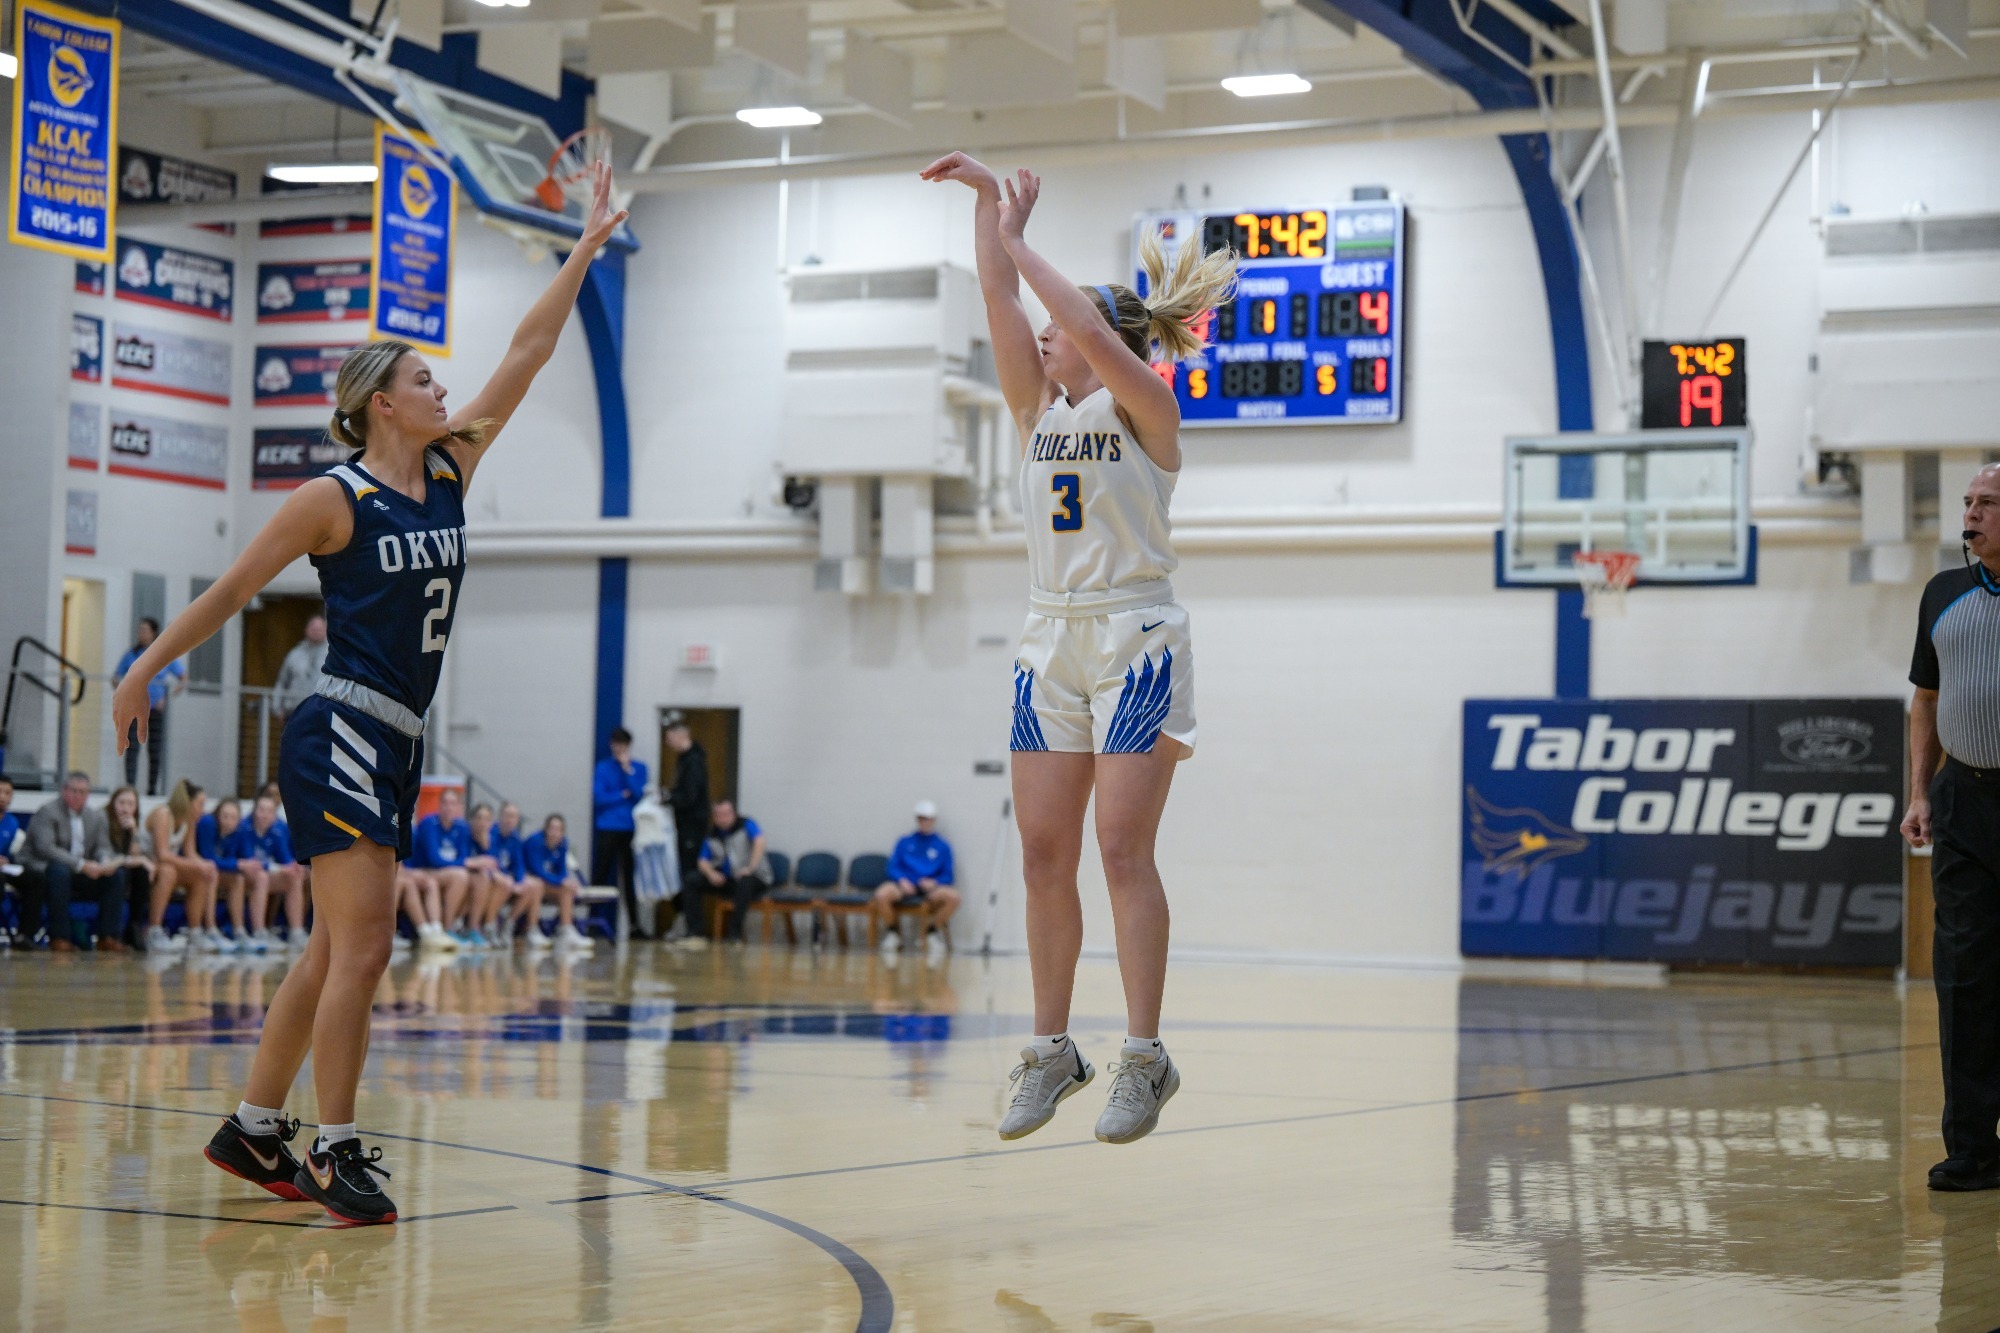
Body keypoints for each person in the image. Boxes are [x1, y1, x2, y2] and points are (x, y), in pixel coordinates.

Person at [112, 162, 628, 1226]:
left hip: (395, 734)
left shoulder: (448, 471)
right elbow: (232, 589)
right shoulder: (330, 498)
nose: (448, 390)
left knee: (327, 948)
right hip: (339, 721)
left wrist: (580, 249)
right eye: (428, 381)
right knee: (366, 948)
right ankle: (332, 1149)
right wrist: (141, 667)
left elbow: (528, 355)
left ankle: (256, 1125)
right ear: (380, 403)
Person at [923, 152, 1236, 1145]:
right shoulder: (1035, 415)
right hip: (1046, 636)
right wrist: (987, 211)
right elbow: (995, 293)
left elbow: (1093, 327)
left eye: (1056, 327)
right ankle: (1051, 1047)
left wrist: (1022, 239)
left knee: (1119, 847)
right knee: (1043, 849)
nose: (1044, 335)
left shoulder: (1145, 408)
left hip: (1134, 634)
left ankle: (1143, 1056)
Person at [1905, 461, 2000, 1192]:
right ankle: (1971, 1147)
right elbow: (1925, 701)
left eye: (1987, 503)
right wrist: (1918, 792)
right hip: (1963, 802)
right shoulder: (1942, 593)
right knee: (1962, 977)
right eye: (1968, 502)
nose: (1971, 513)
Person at [19, 771, 128, 952]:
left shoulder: (96, 817)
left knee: (115, 876)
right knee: (59, 871)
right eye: (74, 791)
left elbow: (102, 846)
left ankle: (108, 936)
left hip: (81, 871)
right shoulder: (47, 811)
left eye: (82, 792)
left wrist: (104, 861)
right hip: (44, 869)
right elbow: (45, 848)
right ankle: (60, 937)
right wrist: (81, 865)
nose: (77, 795)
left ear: (88, 794)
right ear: (64, 791)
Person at [877, 799, 961, 959]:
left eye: (927, 819)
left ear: (933, 820)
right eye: (921, 818)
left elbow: (948, 875)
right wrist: (902, 880)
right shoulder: (904, 842)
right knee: (882, 894)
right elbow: (892, 867)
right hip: (905, 886)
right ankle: (893, 932)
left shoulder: (943, 846)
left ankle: (932, 931)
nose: (924, 822)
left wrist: (934, 883)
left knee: (954, 897)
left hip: (930, 889)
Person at [143, 780, 217, 953]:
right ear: (188, 802)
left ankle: (195, 932)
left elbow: (190, 853)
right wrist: (196, 865)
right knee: (169, 872)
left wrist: (205, 866)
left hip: (164, 866)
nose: (203, 809)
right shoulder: (163, 814)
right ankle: (154, 930)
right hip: (145, 865)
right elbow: (162, 854)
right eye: (200, 804)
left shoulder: (188, 821)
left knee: (201, 875)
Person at [114, 618, 185, 795]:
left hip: (155, 709)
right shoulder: (131, 654)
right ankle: (130, 787)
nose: (141, 633)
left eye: (145, 630)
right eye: (140, 630)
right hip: (134, 708)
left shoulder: (163, 654)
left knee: (154, 749)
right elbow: (116, 676)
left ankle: (152, 788)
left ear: (153, 633)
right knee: (132, 748)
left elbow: (182, 677)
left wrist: (167, 697)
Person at [592, 726, 648, 934]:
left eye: (622, 745)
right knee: (601, 873)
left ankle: (634, 924)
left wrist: (627, 772)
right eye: (615, 744)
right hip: (607, 826)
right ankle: (593, 921)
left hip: (630, 828)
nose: (618, 748)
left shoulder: (639, 768)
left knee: (629, 877)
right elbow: (599, 798)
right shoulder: (602, 768)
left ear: (628, 746)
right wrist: (621, 795)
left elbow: (639, 795)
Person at [411, 788, 483, 949]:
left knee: (480, 878)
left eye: (453, 803)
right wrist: (466, 863)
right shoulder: (429, 823)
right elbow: (434, 859)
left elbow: (463, 856)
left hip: (446, 872)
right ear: (439, 805)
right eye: (445, 803)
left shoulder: (462, 827)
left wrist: (467, 863)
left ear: (459, 807)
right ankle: (447, 927)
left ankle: (474, 928)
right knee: (461, 875)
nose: (448, 807)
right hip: (424, 869)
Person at [695, 798, 770, 945]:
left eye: (726, 814)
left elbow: (760, 841)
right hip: (728, 879)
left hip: (755, 876)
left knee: (745, 882)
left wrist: (750, 867)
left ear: (734, 814)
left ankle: (734, 934)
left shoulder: (746, 824)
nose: (722, 819)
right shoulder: (712, 834)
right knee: (692, 880)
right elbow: (702, 861)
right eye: (718, 815)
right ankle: (695, 933)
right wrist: (711, 873)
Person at [236, 795, 307, 951]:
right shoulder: (244, 828)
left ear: (274, 815)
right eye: (261, 810)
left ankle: (296, 931)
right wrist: (282, 868)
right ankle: (259, 931)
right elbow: (251, 862)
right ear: (254, 811)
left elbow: (285, 858)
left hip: (265, 873)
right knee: (261, 876)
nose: (265, 814)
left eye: (269, 811)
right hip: (242, 874)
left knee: (294, 876)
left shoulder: (276, 830)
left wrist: (294, 867)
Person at [521, 814, 593, 951]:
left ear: (562, 832)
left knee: (567, 889)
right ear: (545, 829)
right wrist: (561, 881)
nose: (554, 833)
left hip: (546, 883)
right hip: (527, 882)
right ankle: (532, 929)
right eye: (551, 829)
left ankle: (566, 929)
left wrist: (565, 881)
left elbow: (562, 871)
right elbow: (537, 871)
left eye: (558, 829)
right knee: (538, 885)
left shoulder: (563, 843)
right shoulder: (534, 841)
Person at [199, 798, 261, 952]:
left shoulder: (240, 831)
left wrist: (248, 865)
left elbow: (247, 858)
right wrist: (238, 864)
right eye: (224, 816)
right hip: (200, 870)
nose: (228, 821)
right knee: (212, 872)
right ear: (218, 815)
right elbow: (209, 859)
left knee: (238, 879)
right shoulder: (208, 823)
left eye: (232, 817)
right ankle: (210, 929)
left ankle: (239, 930)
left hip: (218, 871)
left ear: (238, 819)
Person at [663, 712, 708, 900]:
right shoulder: (684, 759)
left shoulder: (694, 761)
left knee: (688, 873)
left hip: (692, 825)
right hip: (683, 824)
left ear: (681, 735)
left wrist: (667, 798)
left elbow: (690, 796)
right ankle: (685, 918)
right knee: (681, 870)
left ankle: (690, 922)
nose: (668, 743)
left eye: (669, 738)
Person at [102, 786, 155, 949]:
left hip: (123, 868)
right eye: (122, 803)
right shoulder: (102, 820)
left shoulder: (136, 824)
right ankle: (110, 934)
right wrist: (141, 861)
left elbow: (140, 854)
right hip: (103, 869)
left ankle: (134, 925)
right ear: (113, 804)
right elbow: (108, 858)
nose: (125, 808)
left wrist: (133, 833)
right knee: (125, 872)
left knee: (141, 872)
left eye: (131, 804)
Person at [272, 613, 329, 719]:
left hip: (322, 713)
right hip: (294, 711)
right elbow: (282, 681)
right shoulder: (295, 653)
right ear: (306, 629)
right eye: (313, 628)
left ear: (326, 630)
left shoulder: (333, 655)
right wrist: (277, 707)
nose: (316, 631)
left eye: (319, 629)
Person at [0, 776, 23, 946]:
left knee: (35, 878)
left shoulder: (12, 822)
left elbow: (11, 854)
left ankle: (24, 935)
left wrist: (8, 860)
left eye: (7, 793)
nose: (2, 797)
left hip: (4, 870)